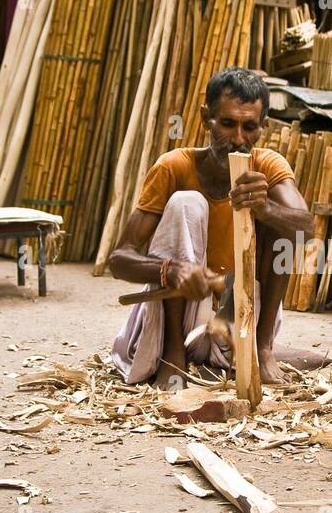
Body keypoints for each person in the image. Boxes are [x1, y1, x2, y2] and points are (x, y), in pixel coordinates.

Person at [108, 67, 313, 389]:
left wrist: (265, 208)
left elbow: (307, 229)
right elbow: (119, 259)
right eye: (228, 124)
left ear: (264, 128)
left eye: (250, 127)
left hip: (238, 314)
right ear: (206, 118)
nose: (238, 140)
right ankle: (173, 354)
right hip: (180, 309)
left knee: (281, 221)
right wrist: (168, 269)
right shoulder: (174, 166)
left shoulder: (268, 165)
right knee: (185, 202)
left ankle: (262, 349)